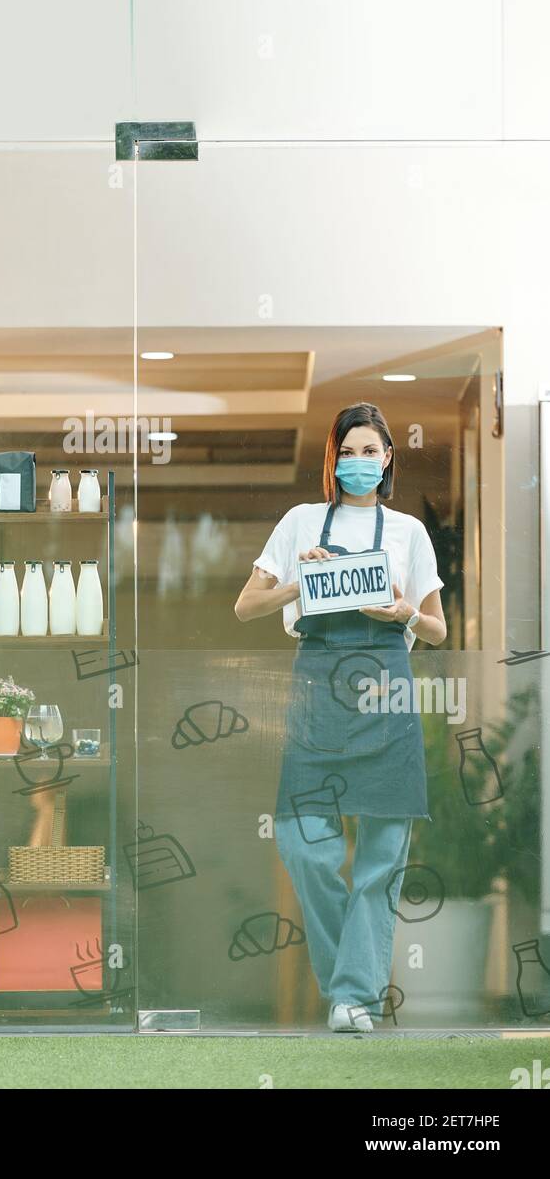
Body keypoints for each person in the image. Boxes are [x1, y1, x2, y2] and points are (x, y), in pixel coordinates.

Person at [234, 402, 446, 1032]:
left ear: (388, 459)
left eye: (369, 452)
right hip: (319, 686)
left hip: (387, 689)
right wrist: (300, 582)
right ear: (334, 460)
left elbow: (437, 631)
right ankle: (349, 983)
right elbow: (246, 607)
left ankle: (351, 998)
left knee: (382, 857)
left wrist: (402, 612)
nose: (358, 464)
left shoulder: (408, 531)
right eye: (346, 453)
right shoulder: (301, 521)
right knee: (303, 846)